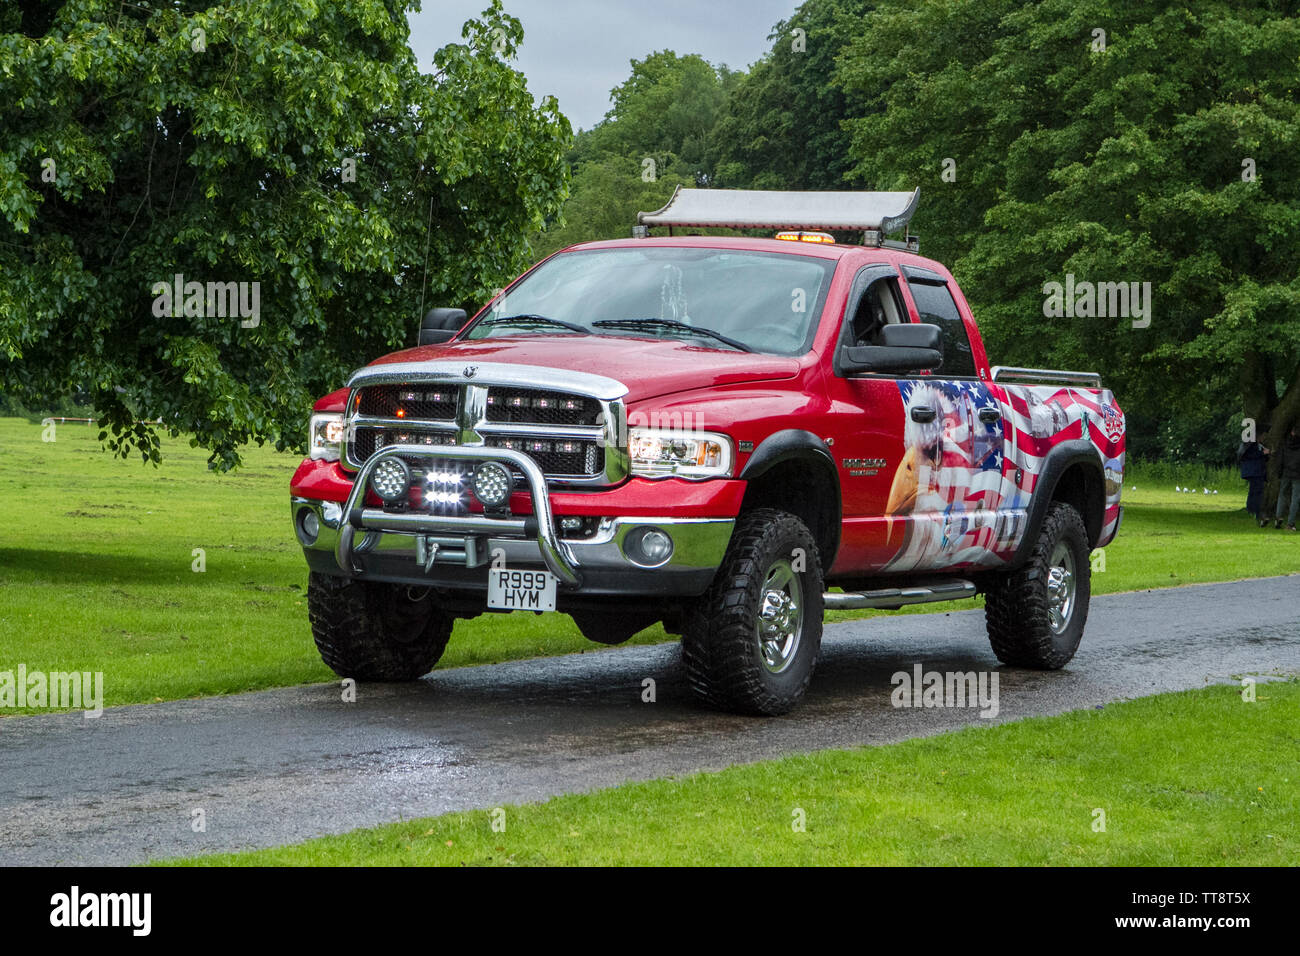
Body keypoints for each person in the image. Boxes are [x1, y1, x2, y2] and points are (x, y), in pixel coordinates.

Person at [1273, 425, 1300, 530]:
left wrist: (1279, 473)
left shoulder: (1285, 445)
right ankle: (1290, 523)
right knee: (1295, 498)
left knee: (1282, 494)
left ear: (1291, 433)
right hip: (1298, 475)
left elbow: (1280, 460)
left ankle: (1278, 517)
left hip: (1286, 473)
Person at [1237, 436, 1269, 524]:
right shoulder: (1252, 446)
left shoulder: (1256, 445)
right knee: (1256, 491)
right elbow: (1252, 455)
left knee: (1253, 490)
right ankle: (1254, 510)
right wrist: (1263, 453)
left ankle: (1251, 509)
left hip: (1255, 471)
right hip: (1255, 471)